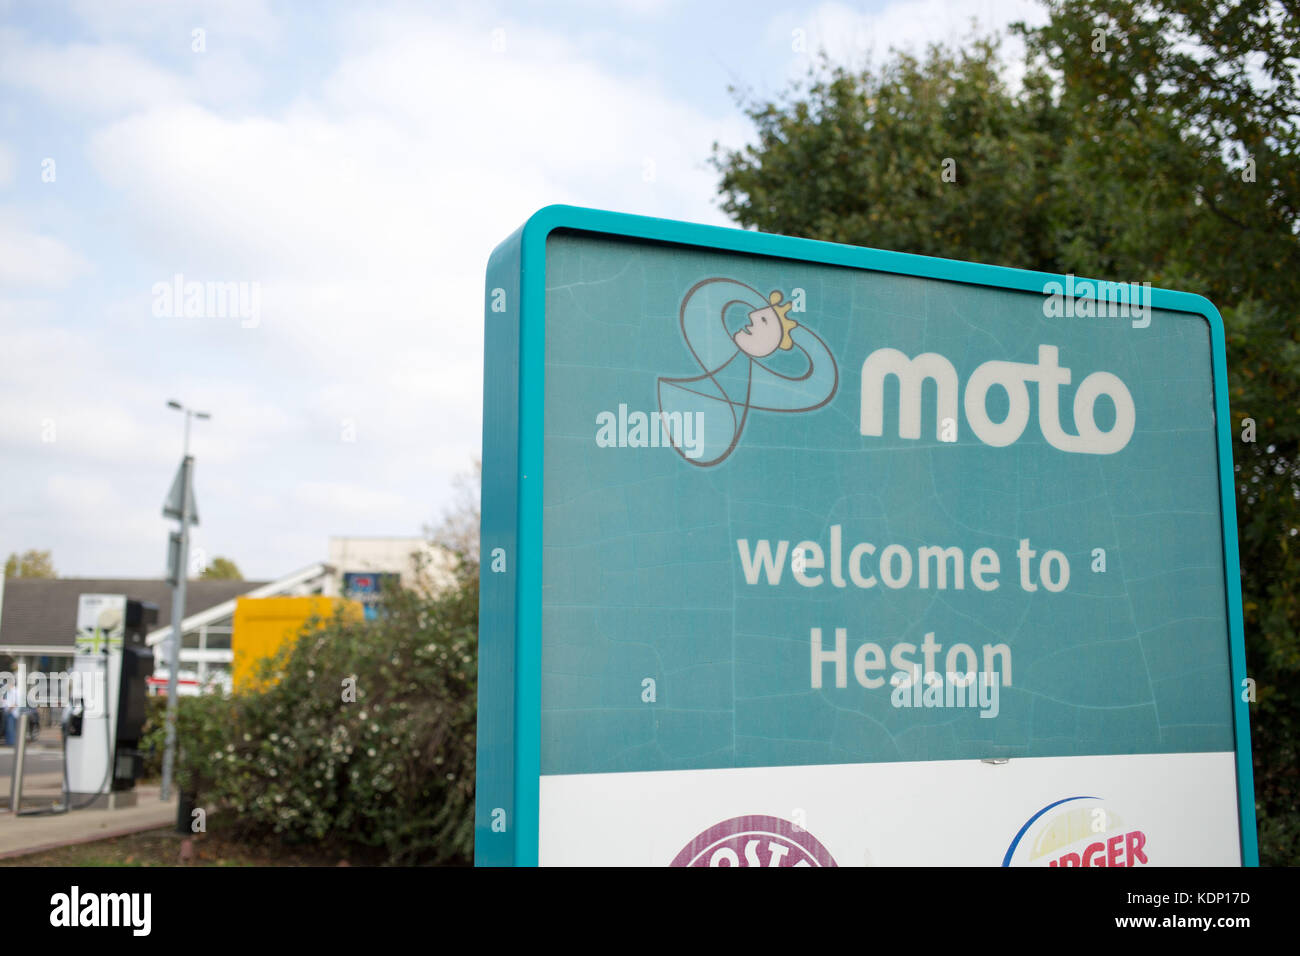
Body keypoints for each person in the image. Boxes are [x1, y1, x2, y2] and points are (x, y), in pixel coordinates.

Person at [1, 679, 19, 746]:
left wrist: (10, 709)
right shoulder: (8, 692)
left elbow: (17, 702)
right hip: (8, 712)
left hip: (12, 713)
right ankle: (9, 742)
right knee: (8, 728)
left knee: (10, 728)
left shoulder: (16, 691)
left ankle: (11, 743)